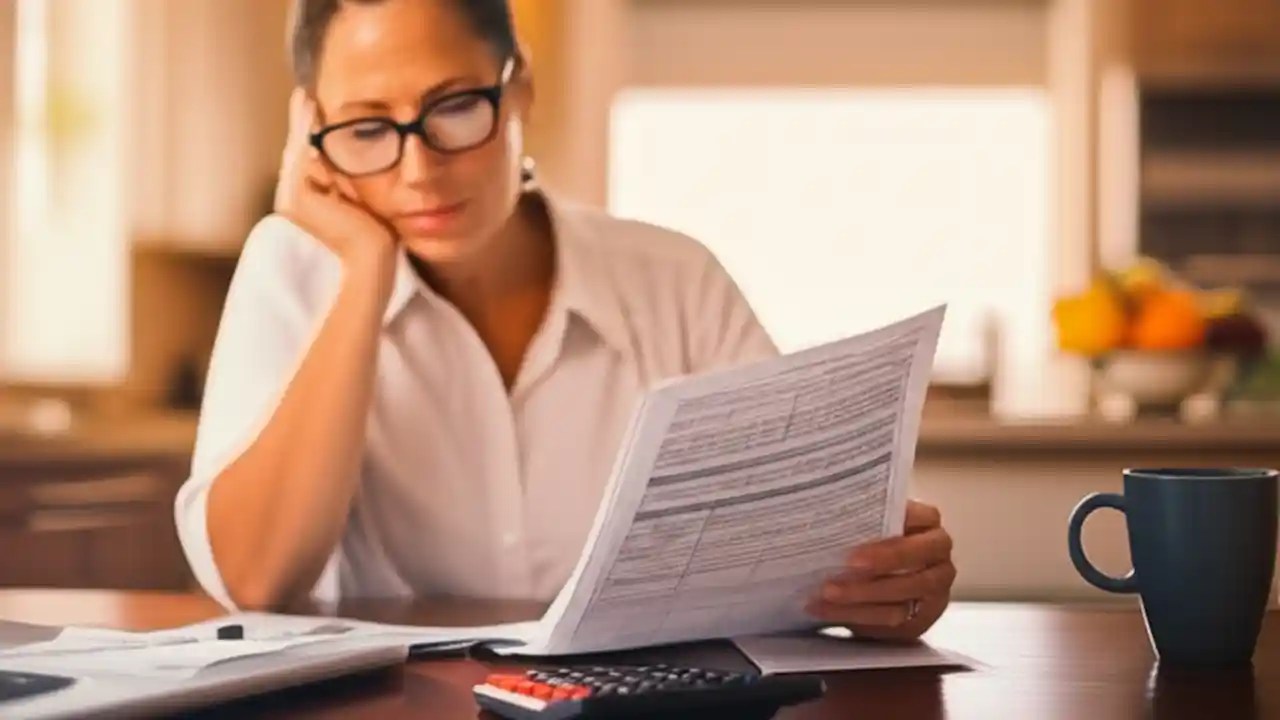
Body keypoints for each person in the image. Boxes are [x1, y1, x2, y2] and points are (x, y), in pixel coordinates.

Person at [174, 0, 955, 642]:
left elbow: (805, 533)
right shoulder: (294, 269)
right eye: (367, 129)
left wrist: (889, 579)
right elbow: (255, 577)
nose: (419, 170)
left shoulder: (673, 278)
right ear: (310, 130)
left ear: (521, 91)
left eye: (454, 107)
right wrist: (365, 273)